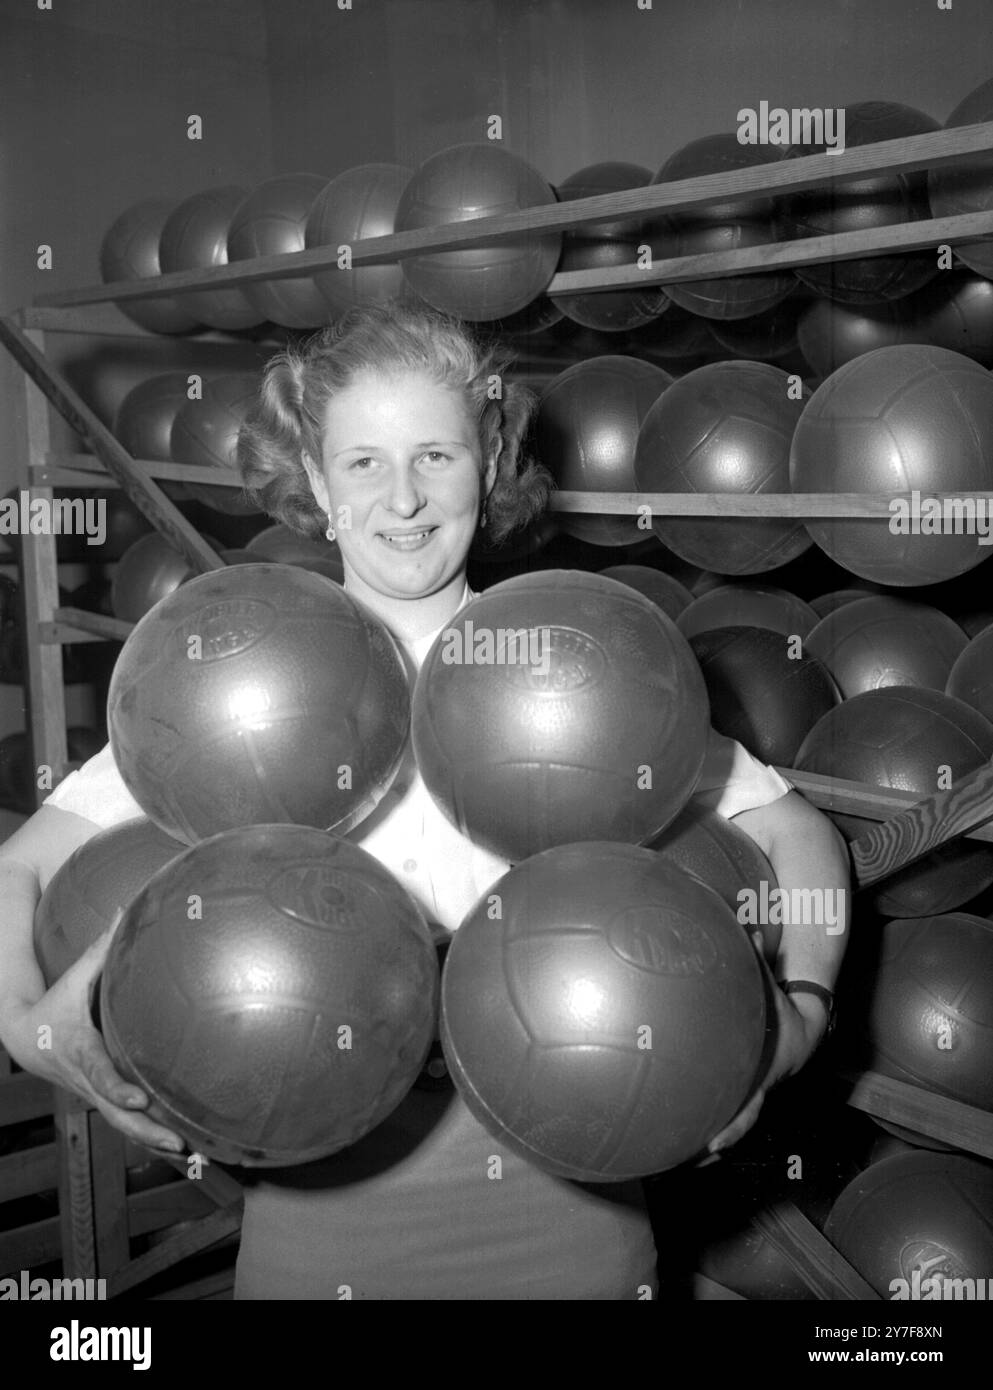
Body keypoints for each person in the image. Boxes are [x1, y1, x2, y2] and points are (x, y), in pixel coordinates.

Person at [0, 299, 851, 1300]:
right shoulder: (247, 675)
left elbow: (796, 833)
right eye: (364, 461)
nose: (403, 498)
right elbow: (18, 867)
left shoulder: (568, 660)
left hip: (575, 1199)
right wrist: (29, 1024)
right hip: (323, 1223)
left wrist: (801, 1006)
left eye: (437, 456)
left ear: (489, 462)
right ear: (316, 479)